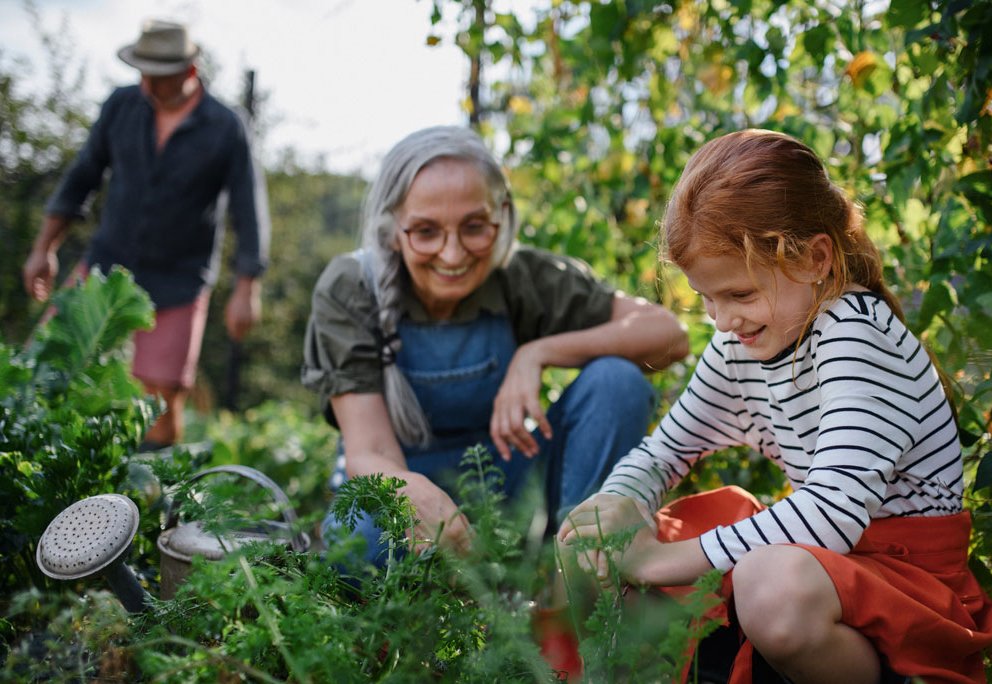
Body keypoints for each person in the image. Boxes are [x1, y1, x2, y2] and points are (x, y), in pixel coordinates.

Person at [559, 129, 992, 684]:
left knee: (770, 585)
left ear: (815, 258)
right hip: (823, 565)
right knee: (590, 535)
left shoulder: (856, 336)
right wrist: (621, 501)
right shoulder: (743, 342)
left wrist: (656, 559)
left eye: (740, 295)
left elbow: (831, 515)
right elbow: (665, 452)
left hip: (905, 585)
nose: (721, 319)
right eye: (706, 298)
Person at [302, 125, 689, 563]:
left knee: (616, 381)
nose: (452, 255)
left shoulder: (521, 277)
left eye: (474, 228)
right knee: (364, 545)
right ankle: (466, 582)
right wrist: (422, 505)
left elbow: (668, 335)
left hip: (506, 483)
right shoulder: (351, 287)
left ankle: (577, 566)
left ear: (501, 216)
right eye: (426, 232)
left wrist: (537, 354)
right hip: (397, 483)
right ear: (392, 228)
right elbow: (368, 453)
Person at [21, 19, 270, 447]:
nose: (146, 86)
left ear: (189, 73)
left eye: (158, 78)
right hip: (106, 265)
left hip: (178, 280)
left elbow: (250, 210)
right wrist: (45, 247)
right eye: (142, 74)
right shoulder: (123, 106)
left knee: (159, 399)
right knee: (46, 367)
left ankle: (152, 499)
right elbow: (82, 177)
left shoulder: (225, 126)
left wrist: (247, 287)